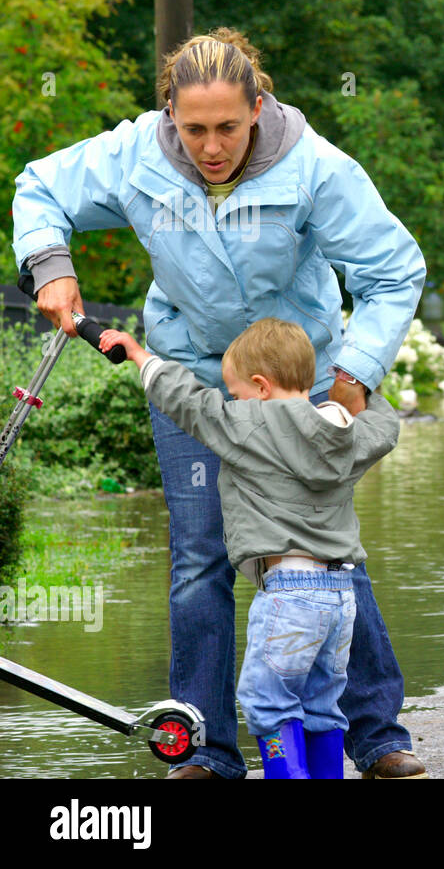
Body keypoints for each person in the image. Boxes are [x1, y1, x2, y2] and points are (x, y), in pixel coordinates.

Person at [11, 28, 428, 778]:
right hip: (196, 374)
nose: (211, 146)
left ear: (257, 108)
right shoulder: (135, 154)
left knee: (322, 551)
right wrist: (50, 265)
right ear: (169, 114)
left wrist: (356, 374)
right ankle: (203, 749)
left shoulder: (314, 167)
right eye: (193, 128)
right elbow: (40, 185)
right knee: (201, 558)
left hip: (300, 376)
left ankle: (378, 738)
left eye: (228, 128)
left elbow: (395, 270)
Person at [99, 318, 399, 778]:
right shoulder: (347, 433)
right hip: (341, 594)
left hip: (288, 592)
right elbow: (385, 429)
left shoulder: (248, 424)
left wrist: (139, 355)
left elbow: (188, 403)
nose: (233, 400)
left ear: (260, 388)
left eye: (236, 392)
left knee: (266, 700)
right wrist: (358, 393)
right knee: (322, 703)